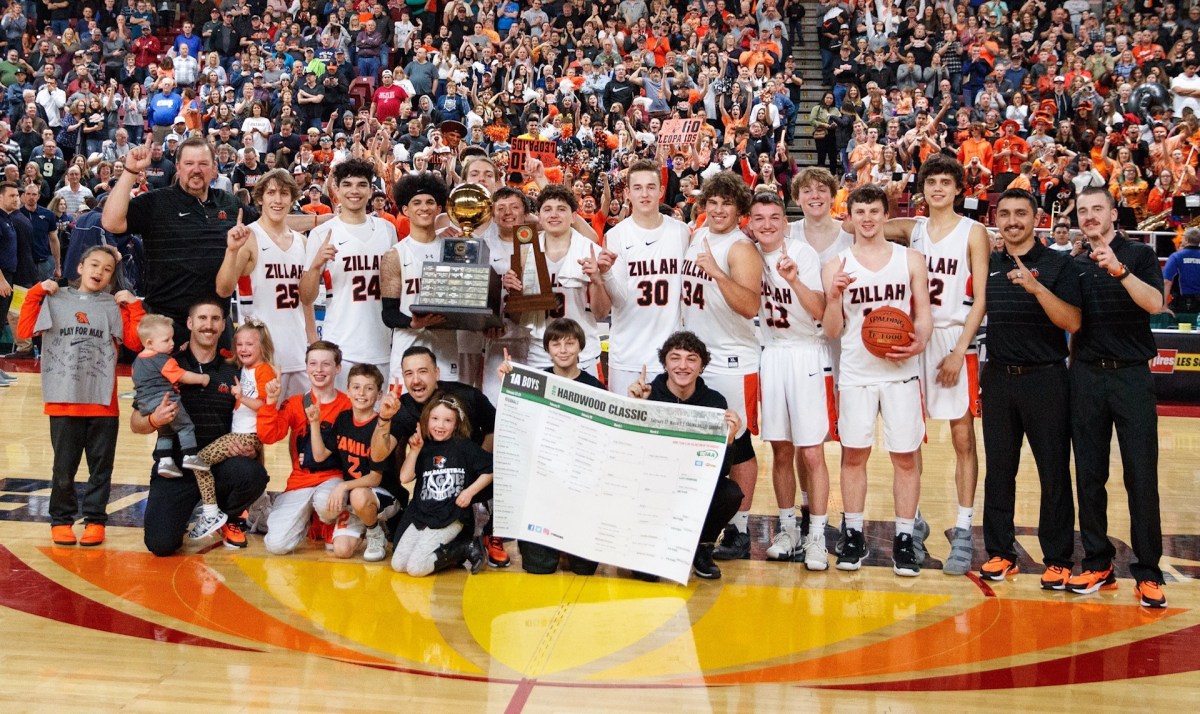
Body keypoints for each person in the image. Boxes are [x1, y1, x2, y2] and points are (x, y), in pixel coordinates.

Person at [878, 155, 991, 575]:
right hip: (915, 337)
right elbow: (858, 225)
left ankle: (963, 527)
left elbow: (980, 298)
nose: (938, 188)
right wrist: (879, 201)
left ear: (958, 188)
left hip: (954, 338)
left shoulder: (974, 232)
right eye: (931, 182)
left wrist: (961, 350)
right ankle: (917, 520)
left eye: (946, 182)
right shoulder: (913, 229)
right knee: (910, 432)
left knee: (962, 435)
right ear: (921, 189)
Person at [821, 184, 932, 576]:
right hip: (856, 373)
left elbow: (923, 315)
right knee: (854, 455)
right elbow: (832, 330)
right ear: (848, 218)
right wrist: (833, 298)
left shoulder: (911, 259)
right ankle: (853, 533)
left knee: (905, 457)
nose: (867, 219)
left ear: (887, 215)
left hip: (900, 373)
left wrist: (919, 342)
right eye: (860, 212)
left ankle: (905, 537)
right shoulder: (836, 265)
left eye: (874, 211)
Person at [1068, 186, 1167, 608]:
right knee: (1089, 475)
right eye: (1083, 210)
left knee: (1140, 476)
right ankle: (1098, 562)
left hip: (1130, 378)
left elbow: (1156, 304)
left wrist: (1119, 270)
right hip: (1087, 377)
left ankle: (1148, 571)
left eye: (1097, 209)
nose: (1090, 216)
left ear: (1113, 213)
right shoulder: (1074, 265)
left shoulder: (1140, 255)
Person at [978, 189, 1082, 589]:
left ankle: (1057, 557)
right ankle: (1001, 554)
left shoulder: (1059, 265)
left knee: (1053, 471)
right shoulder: (988, 262)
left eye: (1021, 213)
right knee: (999, 472)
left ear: (1036, 217)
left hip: (1047, 379)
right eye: (1005, 214)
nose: (1012, 221)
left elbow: (1072, 322)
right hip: (999, 377)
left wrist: (1037, 289)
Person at [16, 246, 144, 546]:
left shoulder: (112, 305)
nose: (99, 272)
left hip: (102, 403)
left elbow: (135, 343)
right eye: (94, 265)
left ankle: (95, 521)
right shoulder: (55, 298)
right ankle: (61, 520)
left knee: (101, 470)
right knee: (63, 470)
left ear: (113, 276)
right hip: (63, 401)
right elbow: (24, 330)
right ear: (81, 267)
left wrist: (133, 306)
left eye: (107, 269)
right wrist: (36, 292)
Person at [133, 299, 271, 555]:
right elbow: (136, 424)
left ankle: (225, 517)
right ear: (190, 323)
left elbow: (255, 419)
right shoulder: (165, 364)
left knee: (254, 475)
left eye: (216, 319)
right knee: (160, 545)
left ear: (223, 326)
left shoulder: (235, 371)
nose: (208, 325)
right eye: (202, 318)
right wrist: (155, 420)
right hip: (176, 467)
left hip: (220, 466)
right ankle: (189, 511)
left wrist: (252, 451)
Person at [681, 171, 764, 561]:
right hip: (700, 357)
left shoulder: (739, 248)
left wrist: (716, 272)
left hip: (733, 360)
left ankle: (740, 528)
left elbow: (750, 305)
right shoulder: (698, 235)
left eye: (726, 203)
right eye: (712, 202)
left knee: (739, 445)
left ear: (739, 209)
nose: (717, 209)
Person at [749, 193, 833, 570]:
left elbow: (820, 311)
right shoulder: (747, 254)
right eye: (759, 218)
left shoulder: (802, 254)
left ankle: (817, 535)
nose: (766, 224)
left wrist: (794, 281)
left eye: (774, 218)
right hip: (772, 353)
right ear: (749, 222)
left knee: (811, 451)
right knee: (781, 450)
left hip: (807, 352)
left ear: (785, 222)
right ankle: (788, 529)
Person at [102, 136, 247, 346]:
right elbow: (111, 222)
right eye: (189, 164)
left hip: (215, 327)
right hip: (166, 327)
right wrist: (130, 171)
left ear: (214, 168)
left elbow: (269, 225)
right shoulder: (156, 202)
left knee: (223, 379)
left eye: (203, 164)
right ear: (178, 167)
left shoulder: (230, 203)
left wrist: (313, 222)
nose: (196, 170)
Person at [371, 346, 506, 566]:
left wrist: (472, 469)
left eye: (423, 371)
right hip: (431, 492)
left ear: (437, 373)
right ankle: (453, 544)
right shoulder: (402, 407)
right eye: (409, 373)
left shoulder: (467, 395)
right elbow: (378, 455)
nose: (416, 380)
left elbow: (495, 428)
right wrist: (384, 419)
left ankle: (486, 532)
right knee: (398, 554)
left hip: (468, 486)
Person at [627, 331, 745, 580]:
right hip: (652, 484)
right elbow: (629, 455)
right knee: (645, 576)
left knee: (730, 492)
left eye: (691, 359)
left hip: (691, 485)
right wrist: (634, 409)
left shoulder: (714, 402)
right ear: (665, 363)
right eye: (675, 358)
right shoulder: (649, 394)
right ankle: (642, 541)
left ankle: (702, 547)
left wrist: (730, 441)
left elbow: (720, 470)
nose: (683, 365)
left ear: (702, 366)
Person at [497, 317, 602, 575]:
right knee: (539, 567)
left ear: (581, 347)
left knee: (584, 568)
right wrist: (507, 387)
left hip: (579, 487)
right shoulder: (535, 382)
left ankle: (572, 540)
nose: (563, 350)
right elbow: (514, 424)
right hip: (542, 487)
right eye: (556, 343)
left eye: (570, 343)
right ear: (547, 349)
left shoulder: (596, 388)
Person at [589, 160, 690, 397]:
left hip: (671, 354)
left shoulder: (681, 232)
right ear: (627, 193)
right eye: (637, 188)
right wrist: (605, 274)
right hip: (627, 352)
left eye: (651, 187)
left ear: (661, 190)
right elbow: (620, 299)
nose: (644, 194)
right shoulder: (615, 236)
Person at [215, 168, 313, 402]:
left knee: (303, 430)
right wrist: (232, 250)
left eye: (284, 193)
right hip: (262, 355)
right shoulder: (250, 237)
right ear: (260, 198)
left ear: (292, 198)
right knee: (254, 432)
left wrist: (313, 342)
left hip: (298, 351)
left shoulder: (302, 241)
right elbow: (223, 289)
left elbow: (306, 301)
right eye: (271, 193)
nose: (277, 200)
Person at [300, 159, 396, 390]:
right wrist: (315, 265)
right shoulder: (321, 234)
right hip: (341, 346)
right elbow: (306, 297)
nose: (354, 191)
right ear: (336, 189)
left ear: (371, 190)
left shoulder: (387, 230)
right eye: (348, 184)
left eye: (361, 185)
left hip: (381, 344)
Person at [257, 341, 353, 554]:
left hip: (333, 480)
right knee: (276, 546)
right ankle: (309, 519)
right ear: (306, 367)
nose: (319, 370)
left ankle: (329, 520)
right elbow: (269, 436)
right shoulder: (294, 403)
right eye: (313, 364)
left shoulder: (348, 405)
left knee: (326, 505)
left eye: (326, 364)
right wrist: (271, 402)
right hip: (300, 482)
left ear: (337, 368)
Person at [185, 320, 277, 540]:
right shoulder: (242, 367)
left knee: (199, 460)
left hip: (247, 436)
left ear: (262, 347)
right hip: (238, 433)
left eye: (249, 344)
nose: (243, 349)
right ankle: (244, 509)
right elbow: (222, 352)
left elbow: (265, 405)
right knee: (201, 462)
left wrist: (241, 397)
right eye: (240, 344)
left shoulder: (264, 371)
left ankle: (211, 513)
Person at [307, 363, 401, 563]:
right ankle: (371, 526)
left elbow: (375, 478)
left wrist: (344, 486)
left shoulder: (380, 425)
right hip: (356, 498)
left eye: (369, 388)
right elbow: (320, 455)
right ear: (348, 391)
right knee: (341, 551)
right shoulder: (343, 419)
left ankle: (375, 533)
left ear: (378, 394)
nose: (362, 393)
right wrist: (314, 423)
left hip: (383, 496)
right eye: (356, 387)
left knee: (358, 495)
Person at [390, 394, 489, 576]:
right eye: (435, 419)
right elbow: (404, 477)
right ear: (426, 420)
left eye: (447, 420)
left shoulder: (464, 447)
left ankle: (466, 547)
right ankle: (447, 556)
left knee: (416, 568)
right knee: (398, 564)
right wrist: (415, 451)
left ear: (456, 423)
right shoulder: (424, 447)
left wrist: (469, 492)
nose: (440, 425)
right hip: (423, 514)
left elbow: (490, 470)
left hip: (452, 516)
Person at [380, 172, 458, 387]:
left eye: (430, 202)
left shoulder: (452, 249)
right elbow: (388, 314)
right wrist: (413, 322)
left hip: (446, 347)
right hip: (409, 348)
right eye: (417, 203)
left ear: (439, 209)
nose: (424, 207)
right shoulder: (395, 255)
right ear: (406, 210)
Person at [525, 185, 608, 375]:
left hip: (582, 350)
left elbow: (601, 313)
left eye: (561, 209)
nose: (554, 214)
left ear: (573, 217)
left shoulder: (591, 250)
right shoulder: (524, 249)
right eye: (547, 209)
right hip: (539, 349)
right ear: (539, 216)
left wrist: (597, 281)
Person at [132, 314, 214, 478]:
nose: (172, 343)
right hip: (166, 400)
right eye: (166, 340)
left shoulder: (136, 362)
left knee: (166, 432)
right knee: (185, 426)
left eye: (172, 338)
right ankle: (190, 456)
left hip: (146, 405)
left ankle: (165, 461)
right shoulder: (162, 359)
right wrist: (201, 378)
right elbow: (181, 376)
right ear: (149, 343)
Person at [1164, 227, 1200, 314]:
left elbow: (1166, 281)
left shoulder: (1176, 257)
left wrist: (1164, 306)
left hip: (1182, 303)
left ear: (1186, 240)